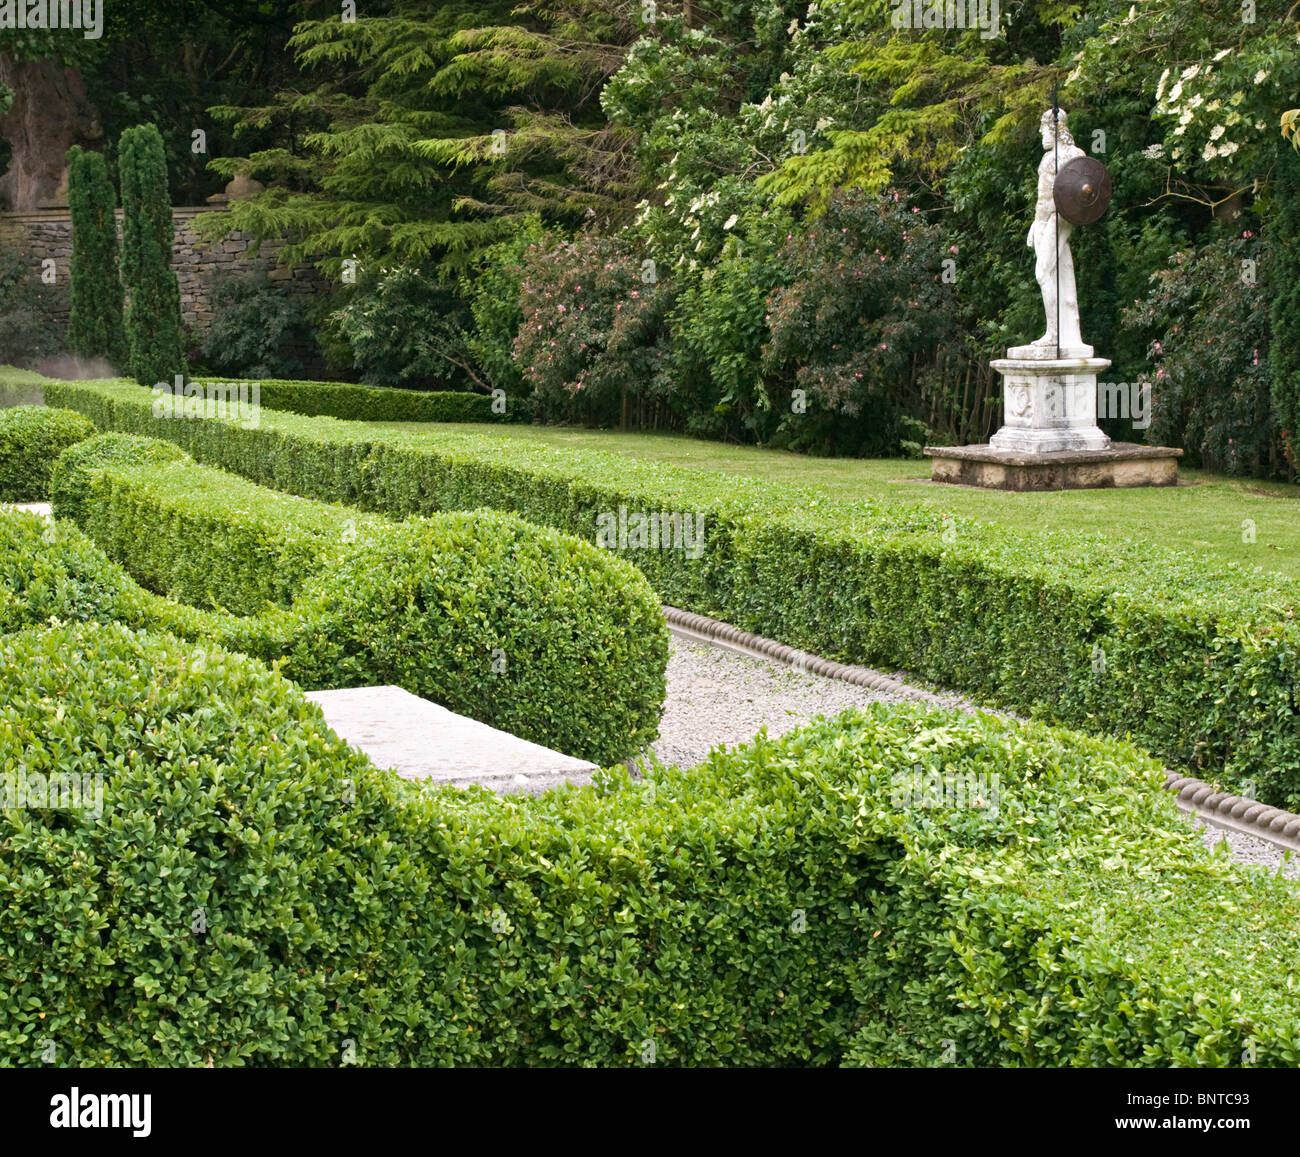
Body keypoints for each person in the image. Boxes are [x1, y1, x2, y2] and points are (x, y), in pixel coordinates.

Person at [1028, 108, 1085, 351]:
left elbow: (1078, 191)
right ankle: (1065, 331)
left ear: (1055, 128)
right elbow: (1042, 195)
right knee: (1060, 272)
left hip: (1058, 218)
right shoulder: (1048, 157)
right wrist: (1035, 222)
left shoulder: (1072, 155)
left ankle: (1054, 334)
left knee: (1043, 273)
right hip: (1043, 219)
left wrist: (1052, 218)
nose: (1041, 133)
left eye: (1044, 128)